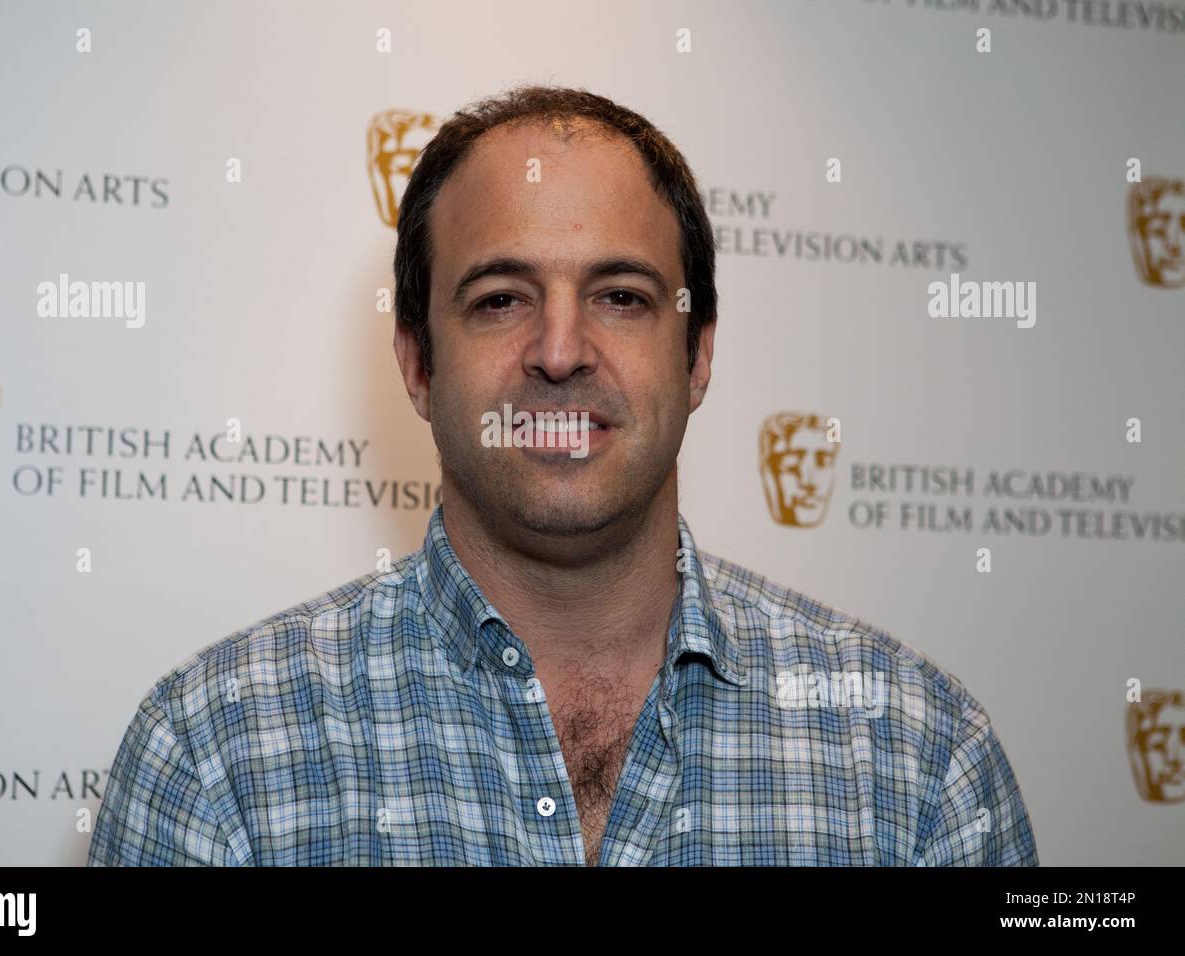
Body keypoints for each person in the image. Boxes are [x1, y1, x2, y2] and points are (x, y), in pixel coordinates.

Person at [88, 85, 1038, 866]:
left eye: (620, 297)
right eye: (501, 299)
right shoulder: (217, 758)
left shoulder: (915, 757)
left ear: (699, 355)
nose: (559, 351)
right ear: (417, 362)